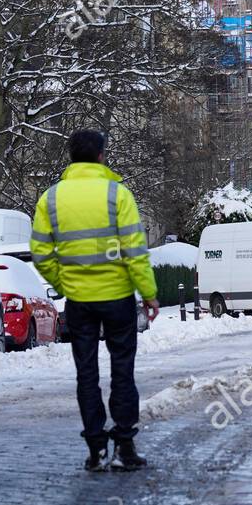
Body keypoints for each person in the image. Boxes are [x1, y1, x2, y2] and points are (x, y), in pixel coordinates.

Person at [30, 130, 160, 472]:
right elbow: (135, 251)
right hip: (117, 297)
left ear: (71, 156)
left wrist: (66, 283)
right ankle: (124, 447)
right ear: (101, 155)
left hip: (79, 302)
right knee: (122, 370)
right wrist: (148, 293)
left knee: (86, 374)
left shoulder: (51, 198)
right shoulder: (118, 195)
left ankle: (96, 449)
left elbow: (41, 253)